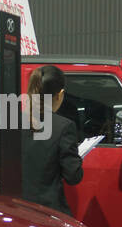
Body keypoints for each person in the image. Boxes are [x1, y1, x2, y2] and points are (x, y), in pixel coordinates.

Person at [19, 65, 82, 216]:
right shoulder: (64, 127)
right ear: (60, 95)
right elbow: (73, 176)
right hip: (49, 214)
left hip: (14, 213)